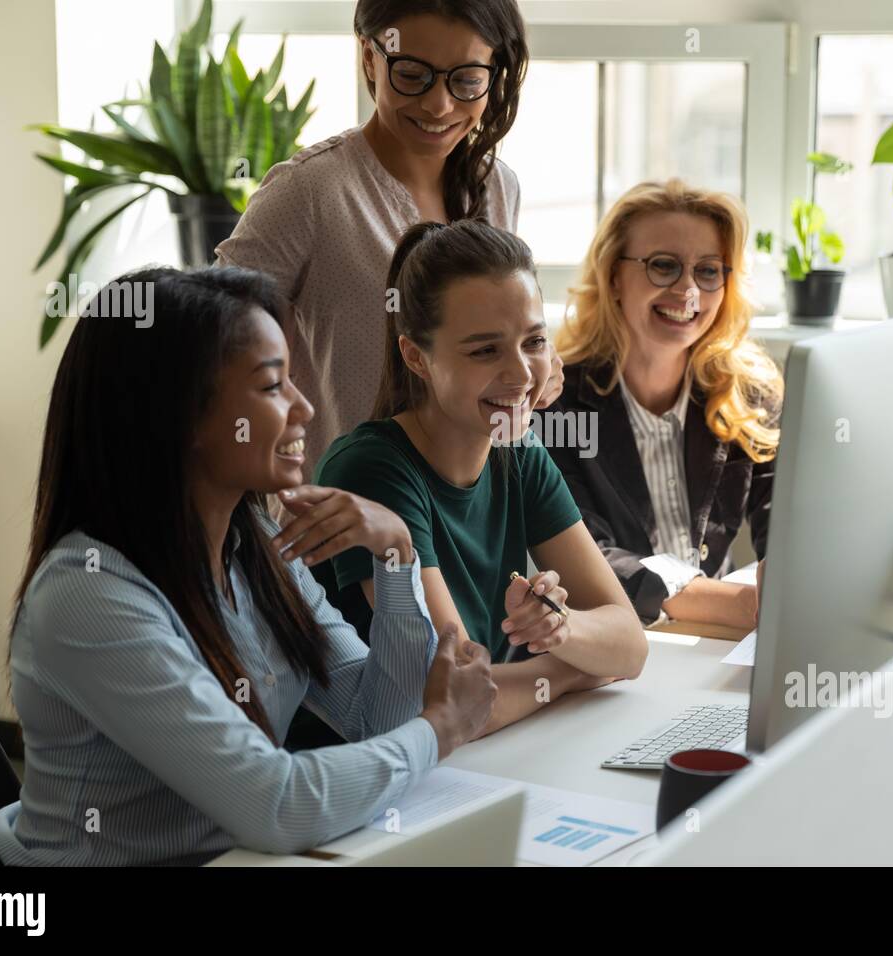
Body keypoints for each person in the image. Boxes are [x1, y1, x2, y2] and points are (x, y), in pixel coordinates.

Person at [0, 266, 496, 865]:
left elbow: (374, 719)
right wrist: (441, 729)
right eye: (271, 386)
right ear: (180, 415)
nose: (304, 408)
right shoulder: (88, 595)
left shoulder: (253, 540)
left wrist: (397, 555)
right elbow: (275, 806)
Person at [307, 220, 647, 736]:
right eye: (485, 350)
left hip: (490, 756)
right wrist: (575, 668)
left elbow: (630, 644)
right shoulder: (371, 469)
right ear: (416, 357)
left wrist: (563, 625)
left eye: (533, 341)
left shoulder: (519, 451)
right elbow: (458, 698)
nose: (521, 374)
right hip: (379, 776)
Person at [216, 0, 562, 471]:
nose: (439, 104)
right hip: (342, 512)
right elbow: (210, 337)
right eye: (412, 74)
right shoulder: (310, 191)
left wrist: (537, 363)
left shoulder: (499, 187)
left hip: (472, 508)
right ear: (368, 56)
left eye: (466, 79)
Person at [547, 179, 783, 629]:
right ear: (614, 277)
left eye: (709, 270)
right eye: (663, 266)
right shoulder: (556, 404)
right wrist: (738, 604)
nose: (689, 291)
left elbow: (787, 521)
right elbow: (582, 557)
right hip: (615, 641)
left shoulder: (746, 393)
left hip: (715, 638)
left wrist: (793, 574)